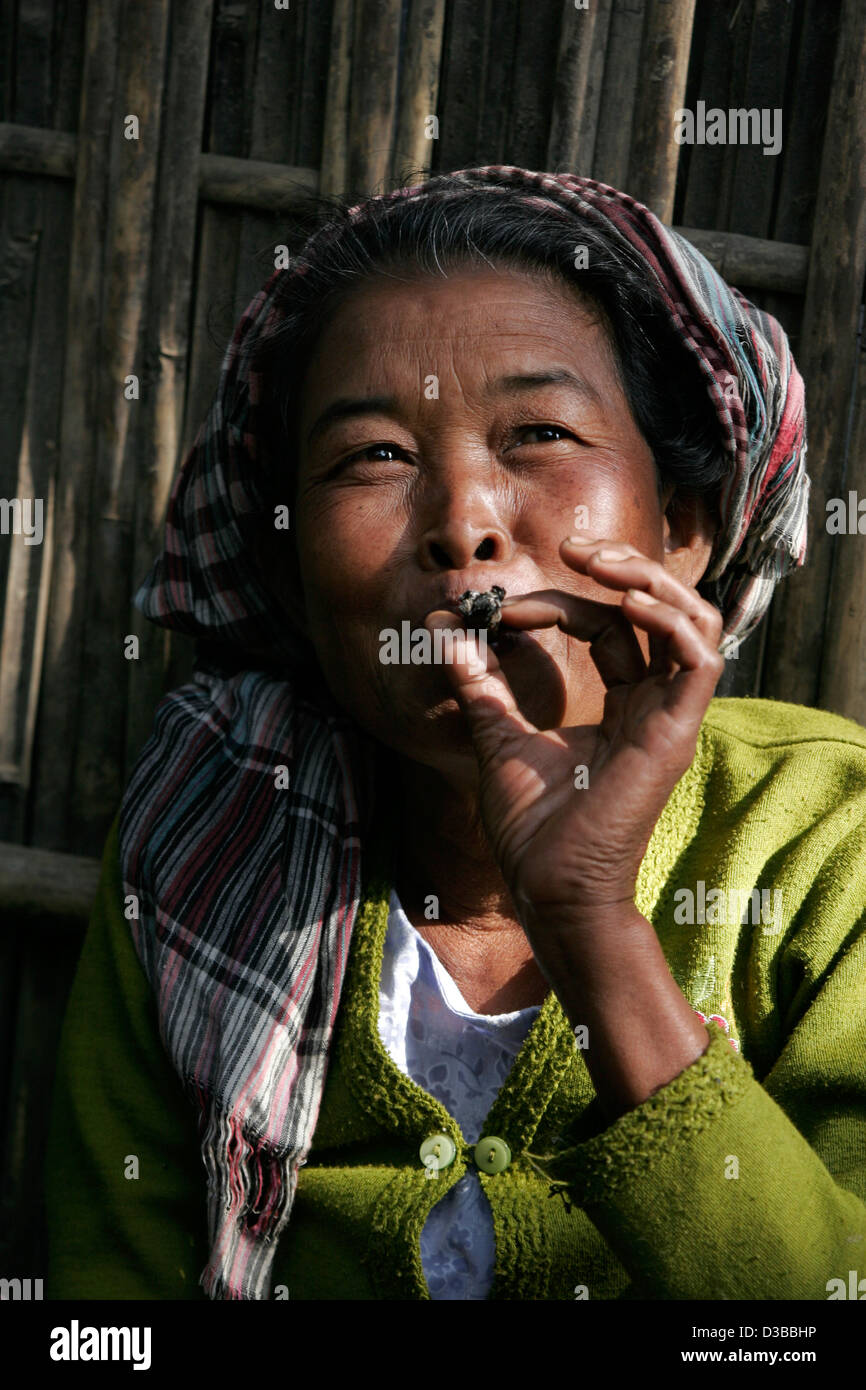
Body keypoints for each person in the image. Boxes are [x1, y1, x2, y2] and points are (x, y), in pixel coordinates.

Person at [44, 166, 866, 1301]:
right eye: (373, 457)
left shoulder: (821, 843)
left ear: (682, 530)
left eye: (536, 431)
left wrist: (589, 926)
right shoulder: (202, 840)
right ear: (289, 569)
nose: (463, 525)